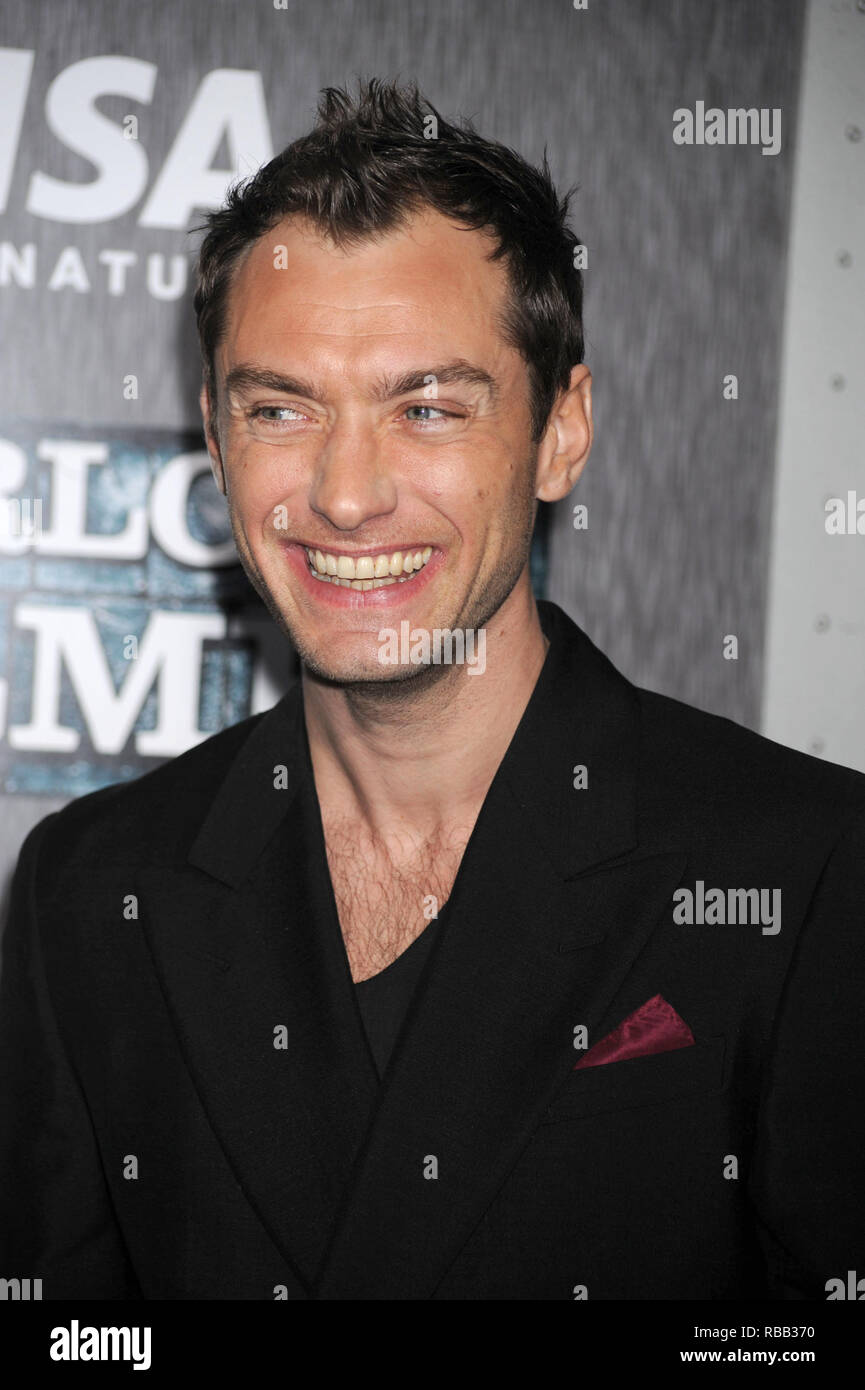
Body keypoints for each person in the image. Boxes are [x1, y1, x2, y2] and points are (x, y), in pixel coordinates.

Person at [1, 79, 863, 1302]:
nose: (347, 494)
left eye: (427, 407)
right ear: (214, 433)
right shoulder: (91, 891)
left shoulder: (808, 871)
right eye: (281, 407)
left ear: (561, 430)